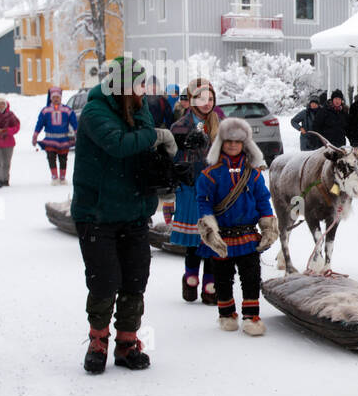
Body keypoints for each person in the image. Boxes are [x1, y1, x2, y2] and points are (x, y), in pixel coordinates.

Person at [70, 56, 177, 373]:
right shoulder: (94, 111)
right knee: (104, 280)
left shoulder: (139, 108)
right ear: (124, 85)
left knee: (134, 279)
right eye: (141, 83)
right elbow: (116, 144)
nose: (146, 89)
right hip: (96, 214)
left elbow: (141, 146)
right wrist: (158, 134)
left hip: (134, 211)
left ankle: (127, 343)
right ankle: (97, 341)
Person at [195, 118, 278, 336]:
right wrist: (210, 229)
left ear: (245, 145)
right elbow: (203, 203)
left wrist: (268, 226)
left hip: (248, 235)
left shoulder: (254, 174)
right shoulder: (209, 174)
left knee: (251, 276)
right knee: (223, 277)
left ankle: (251, 317)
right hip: (221, 236)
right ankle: (226, 314)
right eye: (228, 141)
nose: (232, 145)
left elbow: (263, 200)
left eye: (237, 142)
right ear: (221, 143)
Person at [170, 78, 226, 304]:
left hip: (215, 188)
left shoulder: (221, 123)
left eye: (211, 98)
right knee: (194, 238)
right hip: (190, 187)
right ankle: (191, 277)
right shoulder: (179, 126)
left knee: (212, 236)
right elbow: (170, 157)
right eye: (202, 98)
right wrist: (183, 154)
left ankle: (210, 283)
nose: (207, 103)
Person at [33, 87, 79, 185]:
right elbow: (40, 123)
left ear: (61, 98)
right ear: (51, 98)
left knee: (63, 158)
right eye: (54, 98)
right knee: (51, 157)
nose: (56, 99)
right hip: (50, 138)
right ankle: (54, 177)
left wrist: (77, 132)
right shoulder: (46, 111)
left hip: (63, 139)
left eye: (58, 97)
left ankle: (62, 178)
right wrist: (35, 135)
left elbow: (74, 122)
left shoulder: (67, 110)